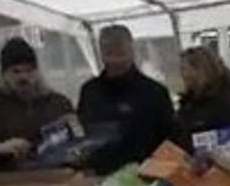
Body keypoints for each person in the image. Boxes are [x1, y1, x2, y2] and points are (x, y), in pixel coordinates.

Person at [0, 37, 78, 172]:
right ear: (4, 74)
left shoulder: (58, 104)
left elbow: (80, 141)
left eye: (29, 71)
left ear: (38, 72)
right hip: (6, 180)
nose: (23, 77)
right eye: (16, 71)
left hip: (55, 178)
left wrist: (76, 154)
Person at [76, 24, 177, 175]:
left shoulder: (154, 92)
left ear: (132, 50)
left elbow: (171, 141)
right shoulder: (89, 91)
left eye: (121, 53)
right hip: (99, 176)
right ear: (100, 52)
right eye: (109, 53)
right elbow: (81, 135)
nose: (115, 60)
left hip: (145, 177)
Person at [174, 46, 230, 150]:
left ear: (201, 70)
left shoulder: (227, 104)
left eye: (185, 69)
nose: (182, 75)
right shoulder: (188, 104)